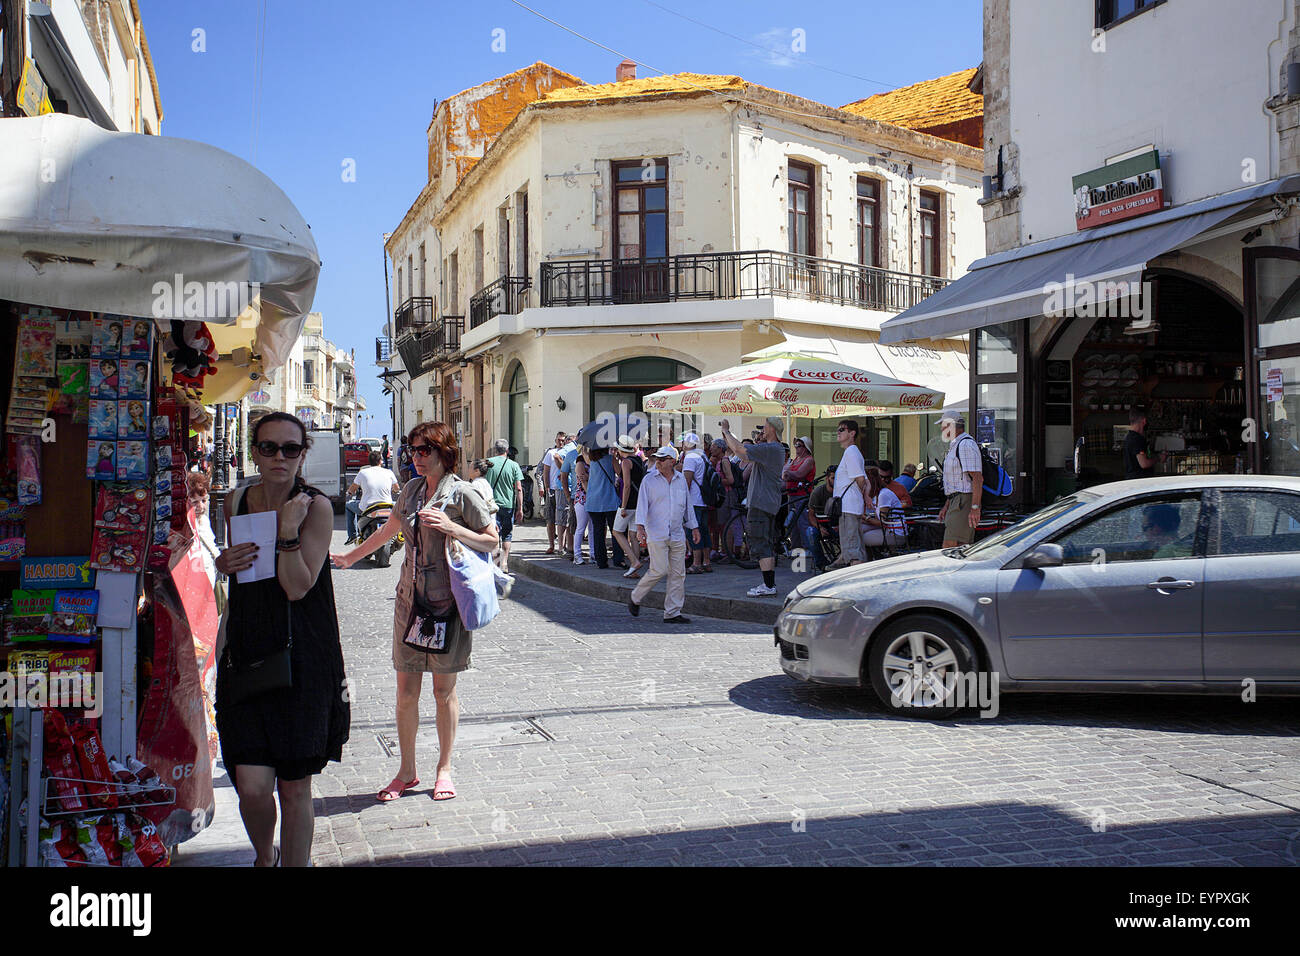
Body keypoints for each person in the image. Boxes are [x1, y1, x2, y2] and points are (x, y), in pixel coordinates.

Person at [330, 422, 498, 804]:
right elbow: (389, 528)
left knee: (443, 691)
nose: (416, 457)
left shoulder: (463, 494)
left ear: (444, 451)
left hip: (446, 605)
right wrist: (349, 556)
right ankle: (406, 771)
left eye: (424, 450)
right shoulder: (409, 490)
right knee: (406, 692)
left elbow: (492, 540)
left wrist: (452, 527)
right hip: (409, 602)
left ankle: (444, 768)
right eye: (413, 450)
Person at [214, 412, 350, 867]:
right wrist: (223, 564)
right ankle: (263, 857)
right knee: (251, 786)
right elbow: (238, 579)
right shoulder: (235, 502)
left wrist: (288, 532)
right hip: (248, 654)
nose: (279, 457)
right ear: (254, 451)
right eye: (269, 447)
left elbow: (297, 586)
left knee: (294, 787)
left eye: (290, 448)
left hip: (301, 657)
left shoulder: (316, 506)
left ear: (302, 453)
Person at [629, 445, 700, 624]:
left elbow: (687, 505)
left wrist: (694, 527)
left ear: (672, 462)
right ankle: (635, 597)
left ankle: (672, 612)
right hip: (657, 531)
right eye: (657, 459)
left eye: (662, 459)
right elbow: (642, 504)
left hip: (676, 532)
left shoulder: (680, 479)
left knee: (678, 573)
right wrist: (640, 527)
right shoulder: (649, 479)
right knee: (658, 570)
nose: (658, 462)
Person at [718, 416, 785, 597]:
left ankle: (768, 586)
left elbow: (740, 449)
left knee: (761, 544)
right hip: (766, 503)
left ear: (771, 428)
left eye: (764, 427)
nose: (761, 430)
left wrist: (726, 431)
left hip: (761, 504)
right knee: (764, 543)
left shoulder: (771, 448)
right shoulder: (774, 449)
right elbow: (741, 454)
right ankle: (768, 584)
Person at [828, 420, 870, 567]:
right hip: (851, 507)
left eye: (842, 429)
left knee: (853, 551)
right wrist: (865, 497)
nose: (838, 432)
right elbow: (865, 480)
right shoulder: (852, 452)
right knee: (853, 546)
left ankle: (854, 583)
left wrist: (863, 496)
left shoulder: (851, 452)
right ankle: (839, 566)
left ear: (852, 433)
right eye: (837, 429)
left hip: (849, 507)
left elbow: (860, 479)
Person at [938, 415, 984, 549]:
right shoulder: (956, 444)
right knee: (959, 547)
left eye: (943, 426)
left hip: (964, 501)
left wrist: (975, 507)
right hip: (956, 501)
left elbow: (977, 478)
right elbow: (957, 480)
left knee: (950, 546)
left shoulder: (965, 444)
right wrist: (947, 504)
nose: (941, 429)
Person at [483, 438, 524, 570]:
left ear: (495, 450)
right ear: (507, 450)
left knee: (494, 534)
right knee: (507, 534)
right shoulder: (514, 465)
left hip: (491, 506)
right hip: (508, 505)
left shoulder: (488, 464)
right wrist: (520, 508)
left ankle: (496, 562)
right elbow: (518, 488)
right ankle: (505, 563)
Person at [345, 450, 399, 545]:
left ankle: (352, 535)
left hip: (367, 507)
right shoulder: (389, 472)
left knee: (348, 505)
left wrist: (349, 492)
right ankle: (400, 535)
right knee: (399, 508)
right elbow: (396, 488)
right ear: (380, 461)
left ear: (369, 461)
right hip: (387, 505)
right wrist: (395, 490)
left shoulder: (363, 472)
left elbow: (352, 489)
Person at [611, 436, 646, 578]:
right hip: (639, 502)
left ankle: (633, 561)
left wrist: (623, 506)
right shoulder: (639, 460)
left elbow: (626, 485)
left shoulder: (626, 462)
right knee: (633, 535)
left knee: (617, 532)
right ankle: (635, 569)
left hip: (629, 502)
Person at [679, 433, 712, 574]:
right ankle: (706, 562)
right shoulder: (703, 456)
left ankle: (697, 563)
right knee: (704, 531)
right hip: (704, 500)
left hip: (694, 500)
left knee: (693, 530)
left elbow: (687, 481)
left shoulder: (690, 458)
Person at [862, 465, 908, 552]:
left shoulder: (883, 495)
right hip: (888, 529)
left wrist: (864, 517)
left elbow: (882, 523)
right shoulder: (878, 495)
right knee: (858, 530)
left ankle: (866, 561)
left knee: (861, 538)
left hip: (895, 533)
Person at [781, 436, 816, 544]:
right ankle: (795, 548)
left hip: (802, 496)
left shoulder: (809, 460)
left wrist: (787, 473)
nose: (796, 448)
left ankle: (808, 549)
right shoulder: (796, 459)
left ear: (806, 447)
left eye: (799, 446)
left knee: (803, 523)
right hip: (792, 495)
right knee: (793, 524)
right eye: (795, 445)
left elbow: (800, 474)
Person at [803, 464, 836, 572]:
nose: (836, 481)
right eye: (833, 478)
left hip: (838, 526)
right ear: (827, 478)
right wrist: (819, 527)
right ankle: (822, 565)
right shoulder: (817, 492)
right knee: (810, 532)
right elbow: (811, 515)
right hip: (821, 525)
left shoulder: (842, 492)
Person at [542, 431, 567, 555]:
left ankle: (563, 545)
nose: (561, 442)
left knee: (563, 518)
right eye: (559, 440)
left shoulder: (567, 453)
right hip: (552, 489)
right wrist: (546, 487)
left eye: (563, 440)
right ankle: (551, 544)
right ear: (555, 440)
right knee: (550, 519)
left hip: (564, 489)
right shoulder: (551, 453)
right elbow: (545, 471)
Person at [1124, 406, 1165, 480]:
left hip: (1133, 479)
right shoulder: (1137, 439)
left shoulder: (1129, 437)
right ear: (1144, 421)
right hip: (1139, 482)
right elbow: (1144, 464)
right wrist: (1159, 458)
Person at [571, 448, 591, 564]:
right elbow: (583, 481)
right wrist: (589, 477)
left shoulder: (592, 462)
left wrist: (589, 477)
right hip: (582, 498)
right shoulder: (580, 463)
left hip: (591, 498)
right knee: (581, 527)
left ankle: (593, 554)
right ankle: (577, 555)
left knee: (592, 528)